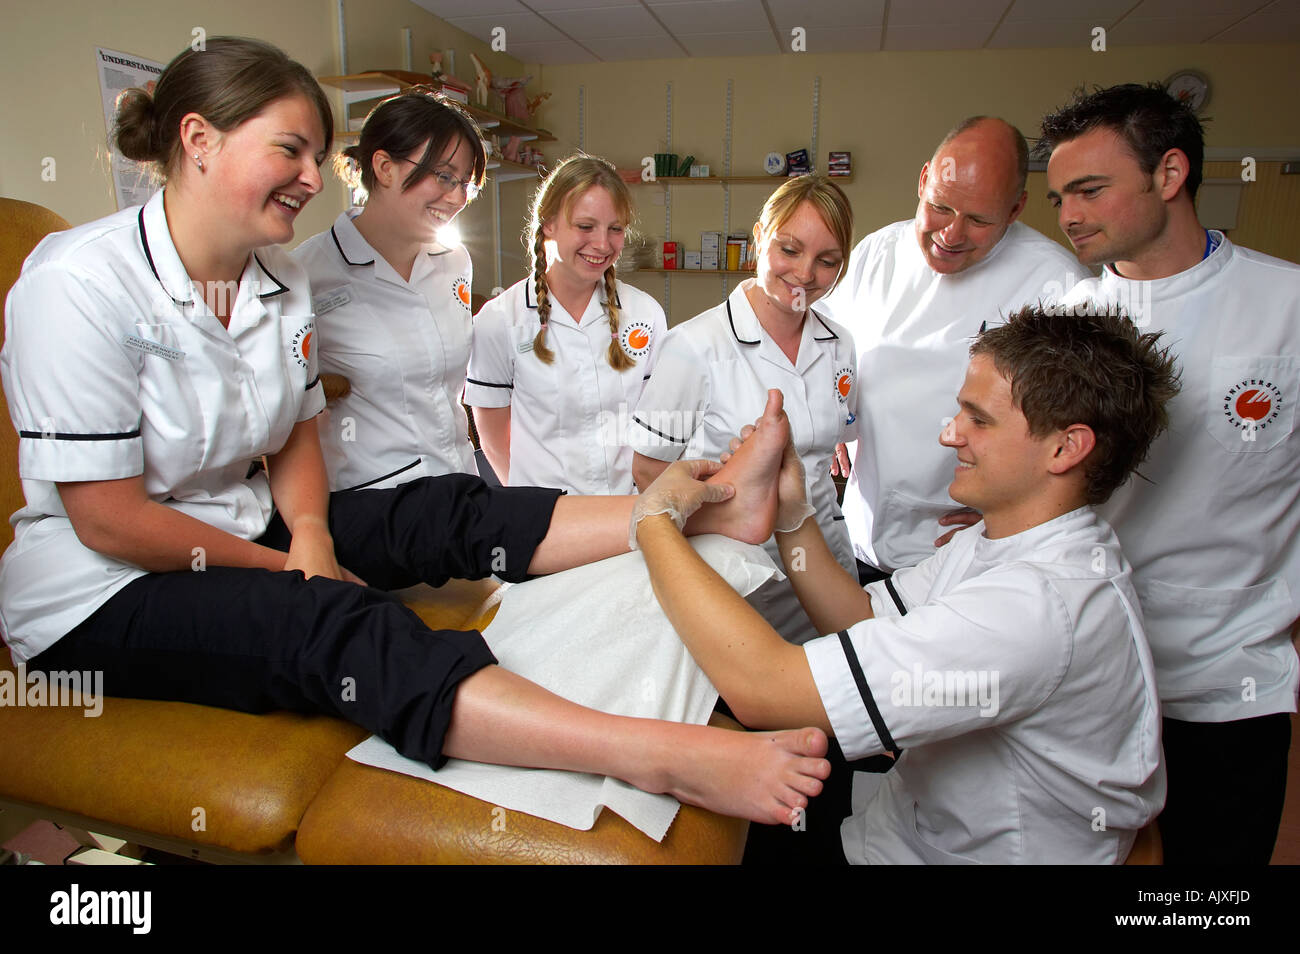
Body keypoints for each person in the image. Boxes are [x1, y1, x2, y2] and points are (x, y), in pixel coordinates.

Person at [0, 37, 832, 827]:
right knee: (329, 625)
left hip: (243, 519)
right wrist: (296, 567)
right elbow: (105, 517)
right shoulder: (79, 283)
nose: (307, 176)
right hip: (99, 588)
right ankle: (654, 755)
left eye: (311, 155)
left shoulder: (274, 276)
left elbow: (295, 432)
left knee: (448, 508)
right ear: (198, 139)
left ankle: (709, 513)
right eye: (289, 150)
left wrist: (316, 533)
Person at [632, 307, 1177, 863]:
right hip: (904, 817)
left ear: (1066, 447)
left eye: (978, 420)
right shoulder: (999, 540)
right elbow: (859, 618)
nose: (949, 434)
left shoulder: (1038, 606)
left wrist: (654, 523)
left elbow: (765, 691)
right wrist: (791, 512)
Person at [1038, 82, 1300, 864]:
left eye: (1089, 190)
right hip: (1082, 665)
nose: (1069, 215)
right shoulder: (1061, 316)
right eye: (1056, 197)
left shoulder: (1285, 304)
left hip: (1231, 678)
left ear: (1171, 173)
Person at [821, 117, 1078, 582]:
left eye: (979, 220)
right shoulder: (879, 253)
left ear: (1017, 208)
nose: (951, 234)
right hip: (863, 534)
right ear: (923, 181)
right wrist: (832, 413)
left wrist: (1024, 514)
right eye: (940, 208)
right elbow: (830, 348)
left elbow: (1083, 433)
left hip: (975, 556)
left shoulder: (1058, 285)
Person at [629, 174, 859, 644]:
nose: (805, 273)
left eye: (827, 260)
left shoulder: (840, 344)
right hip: (741, 570)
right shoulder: (694, 346)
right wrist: (733, 513)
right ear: (758, 237)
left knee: (839, 695)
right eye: (789, 250)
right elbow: (649, 472)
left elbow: (833, 441)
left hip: (830, 562)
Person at [293, 88, 486, 492]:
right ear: (384, 167)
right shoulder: (306, 274)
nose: (457, 198)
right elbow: (289, 416)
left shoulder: (454, 261)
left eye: (466, 183)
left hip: (460, 486)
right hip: (372, 503)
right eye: (445, 176)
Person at [465, 154, 667, 494]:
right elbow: (494, 437)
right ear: (548, 224)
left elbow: (654, 424)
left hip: (627, 509)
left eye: (615, 229)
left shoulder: (645, 314)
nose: (602, 244)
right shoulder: (500, 320)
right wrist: (529, 508)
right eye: (585, 226)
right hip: (546, 519)